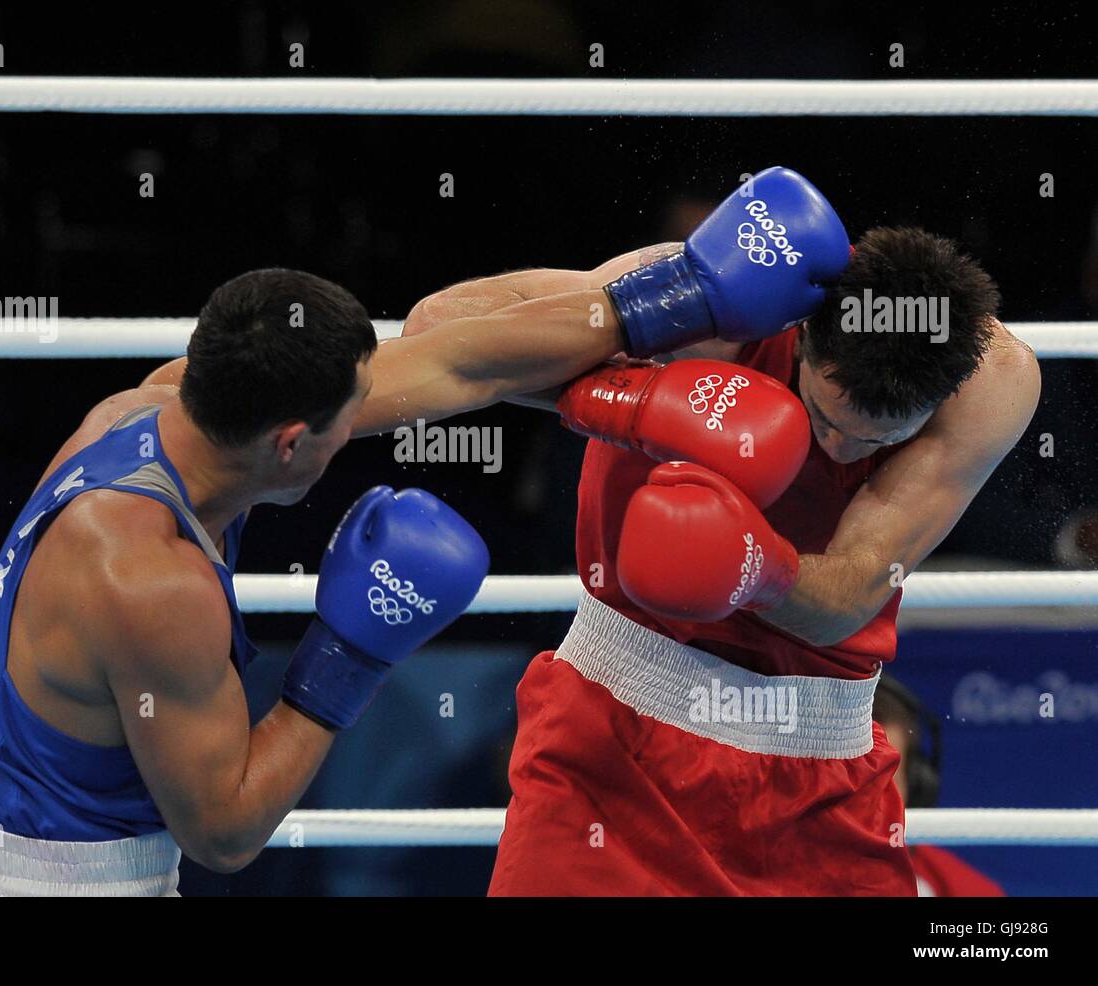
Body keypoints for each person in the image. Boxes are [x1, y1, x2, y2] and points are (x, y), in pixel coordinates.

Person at [0, 168, 839, 896]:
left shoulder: (143, 413)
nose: (371, 424)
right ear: (291, 441)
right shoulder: (149, 583)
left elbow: (457, 362)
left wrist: (678, 296)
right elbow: (226, 831)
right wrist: (349, 650)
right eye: (350, 419)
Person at [405, 174, 1041, 895]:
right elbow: (441, 328)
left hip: (820, 773)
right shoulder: (718, 309)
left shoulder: (996, 380)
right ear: (800, 340)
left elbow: (850, 590)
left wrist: (748, 566)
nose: (839, 451)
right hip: (614, 735)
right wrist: (640, 386)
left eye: (877, 439)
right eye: (825, 418)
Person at [873, 675, 1006, 897]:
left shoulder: (967, 891)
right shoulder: (794, 880)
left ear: (916, 785)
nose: (860, 801)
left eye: (880, 781)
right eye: (847, 782)